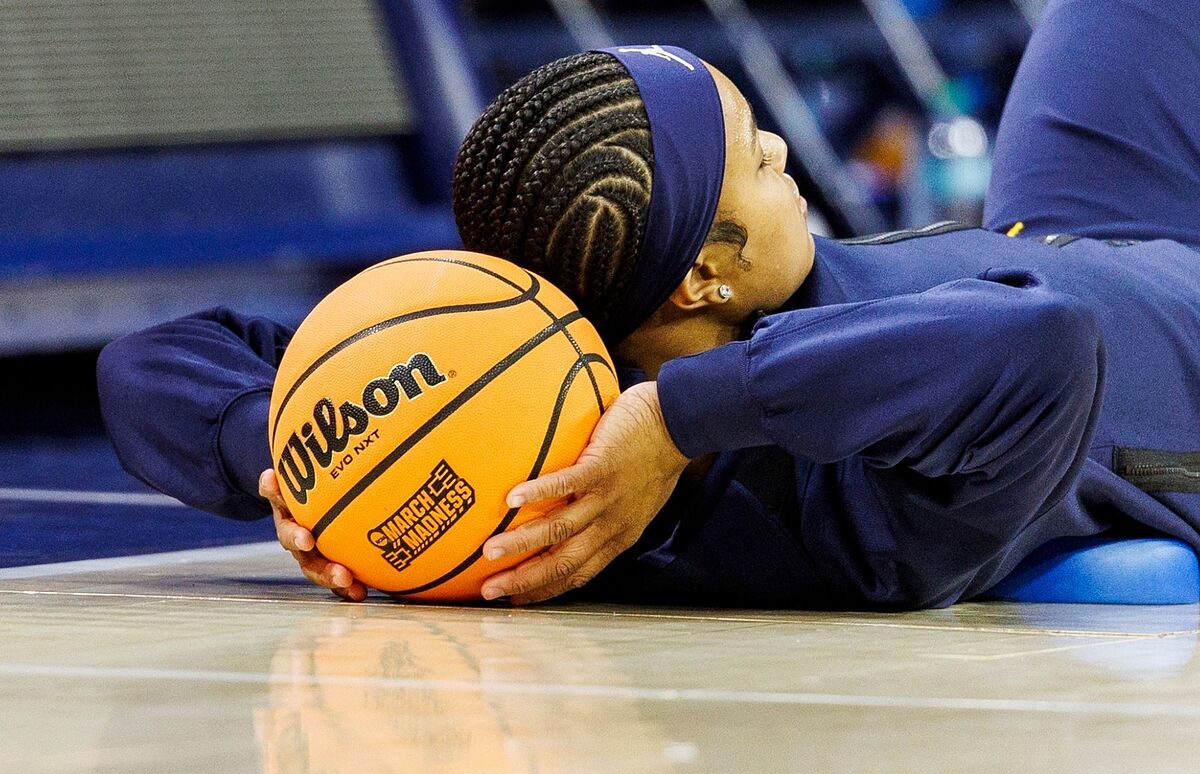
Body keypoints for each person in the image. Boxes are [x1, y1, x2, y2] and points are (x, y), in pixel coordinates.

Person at [98, 0, 1200, 608]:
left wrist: (283, 444)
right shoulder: (831, 513)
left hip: (1064, 218)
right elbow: (1043, 344)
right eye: (754, 160)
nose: (780, 146)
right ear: (701, 277)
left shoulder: (535, 375)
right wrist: (683, 420)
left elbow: (146, 359)